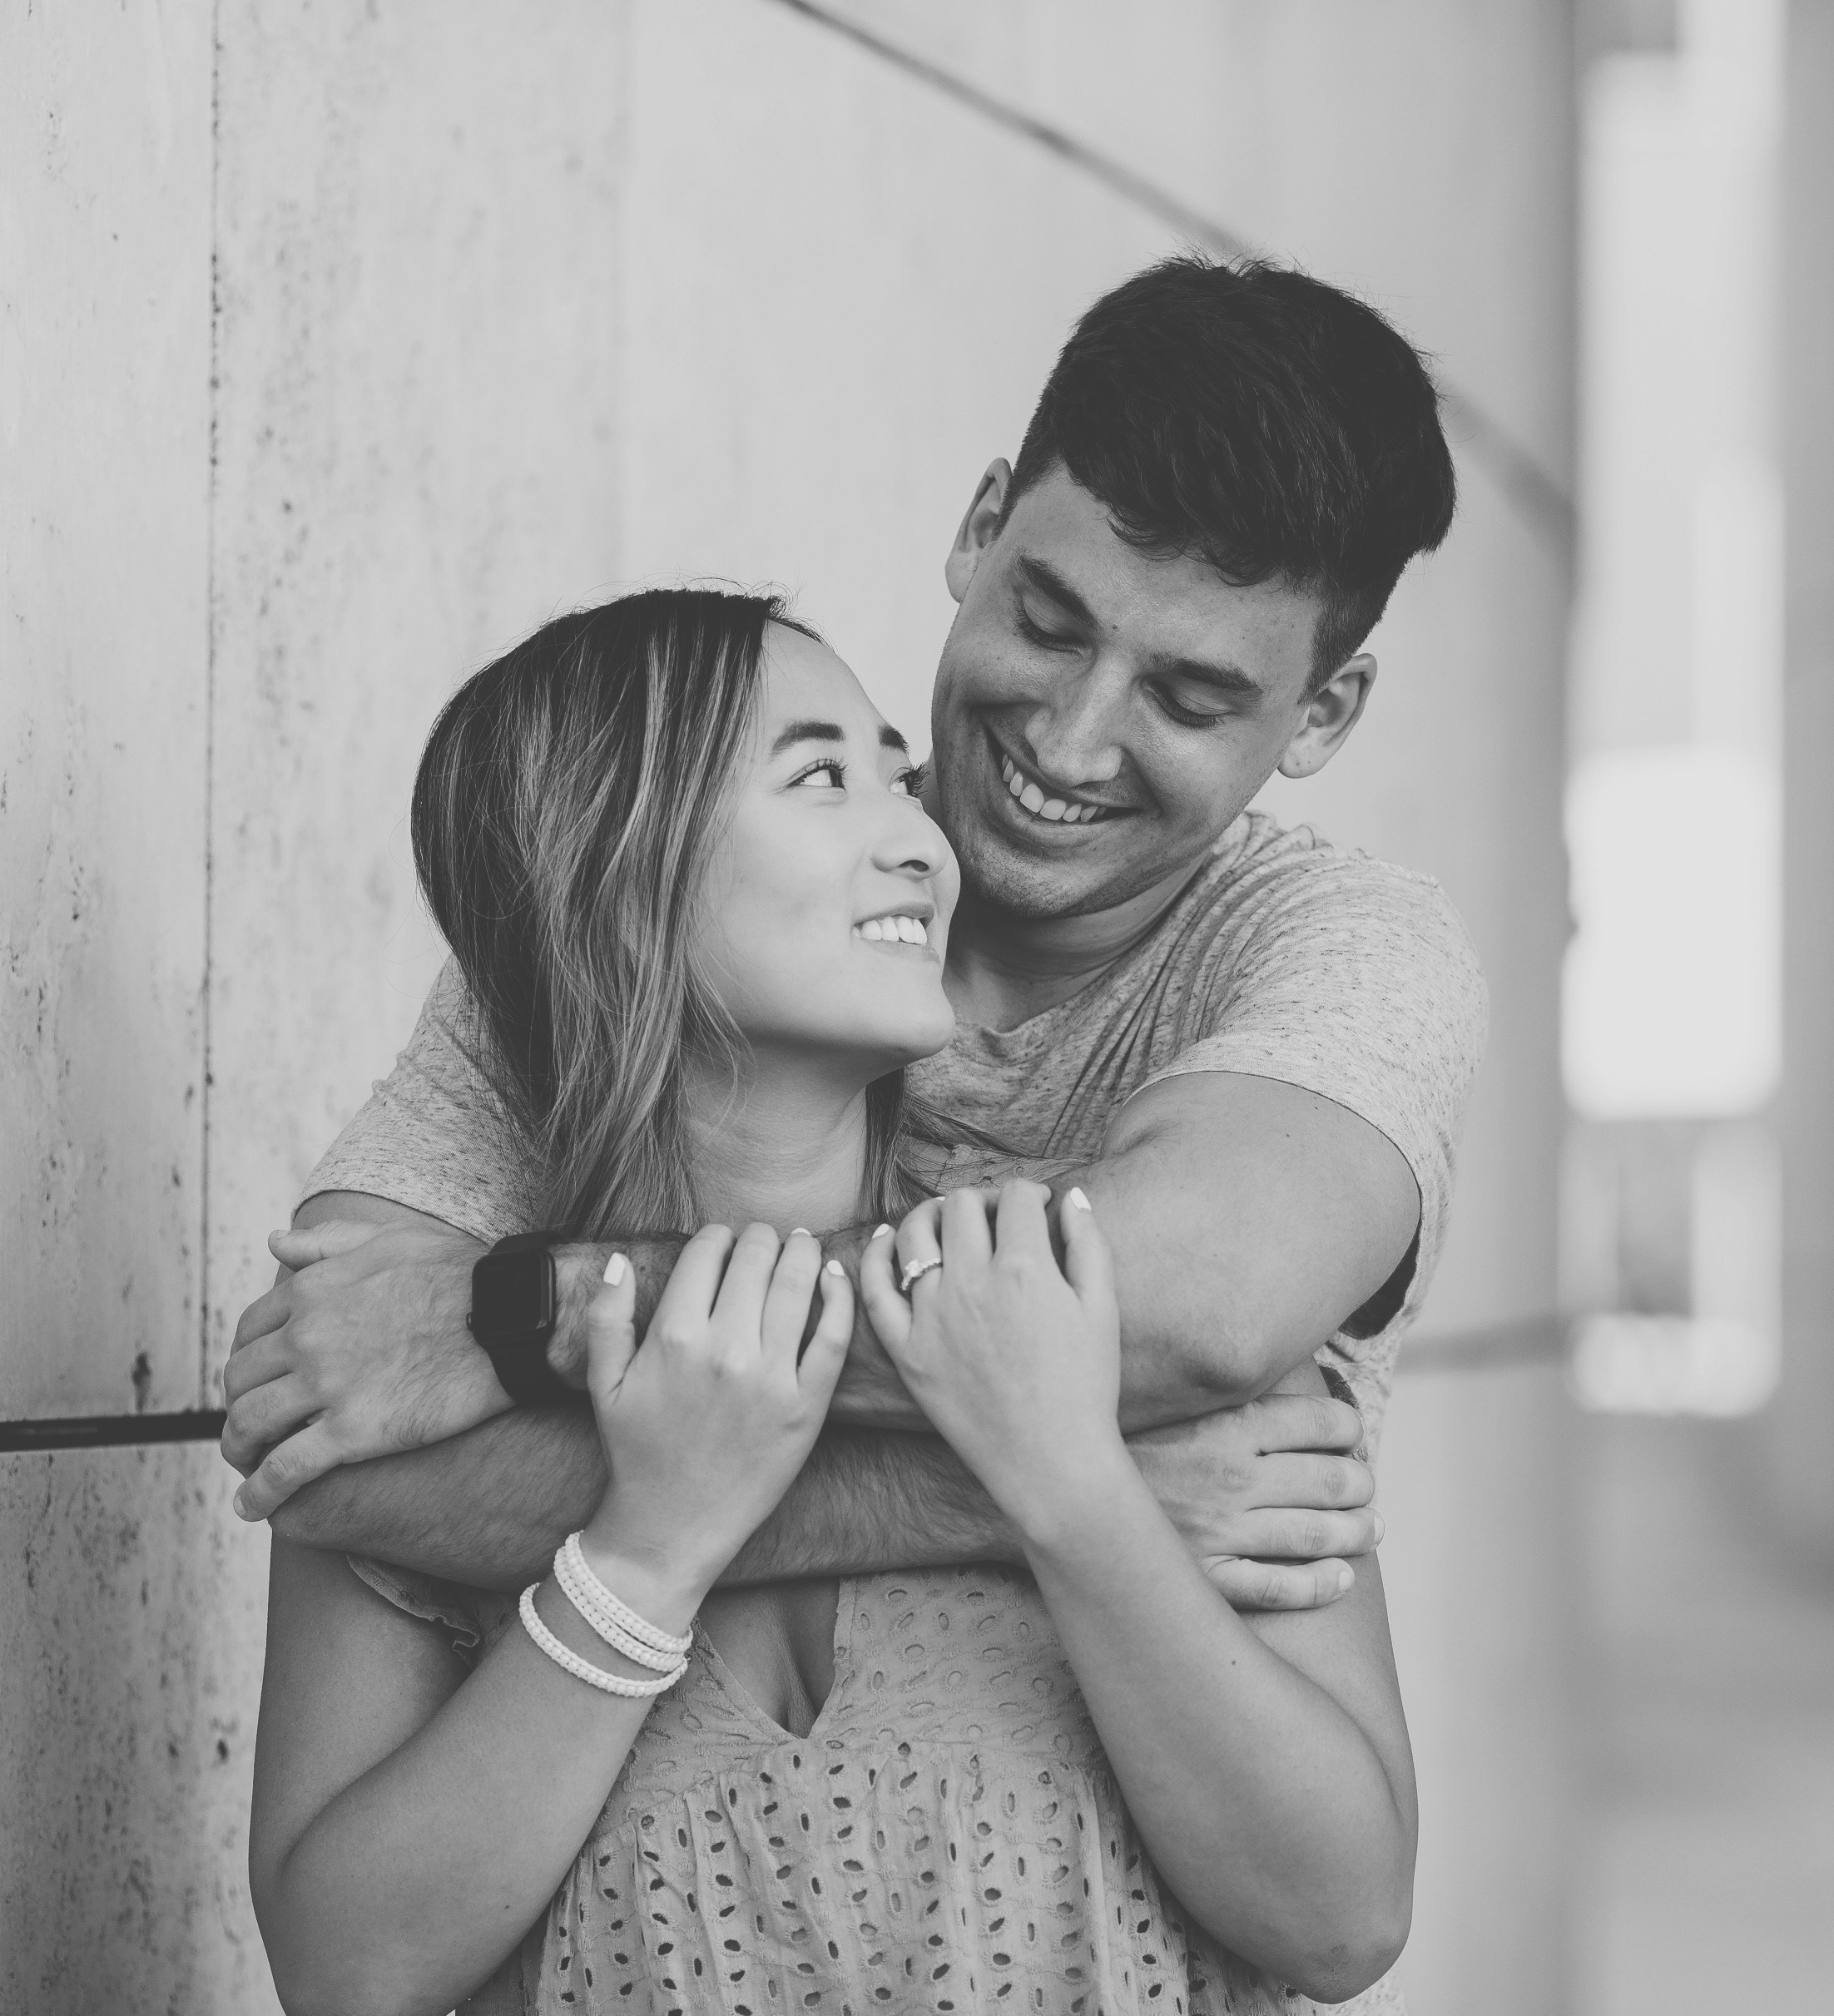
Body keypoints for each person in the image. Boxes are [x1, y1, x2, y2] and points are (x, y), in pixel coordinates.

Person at [223, 257, 1488, 1631]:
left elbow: (1204, 1306)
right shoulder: (677, 890)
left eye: (1187, 700)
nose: (1068, 743)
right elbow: (328, 1437)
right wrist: (1033, 1497)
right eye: (1047, 627)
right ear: (982, 525)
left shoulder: (1343, 948)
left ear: (1322, 715)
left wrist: (525, 1316)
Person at [250, 591, 1418, 2011]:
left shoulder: (1109, 1321)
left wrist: (1068, 1481)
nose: (925, 844)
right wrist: (645, 1553)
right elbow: (344, 1967)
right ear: (622, 879)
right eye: (821, 779)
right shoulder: (430, 1401)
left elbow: (1344, 1917)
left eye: (896, 779)